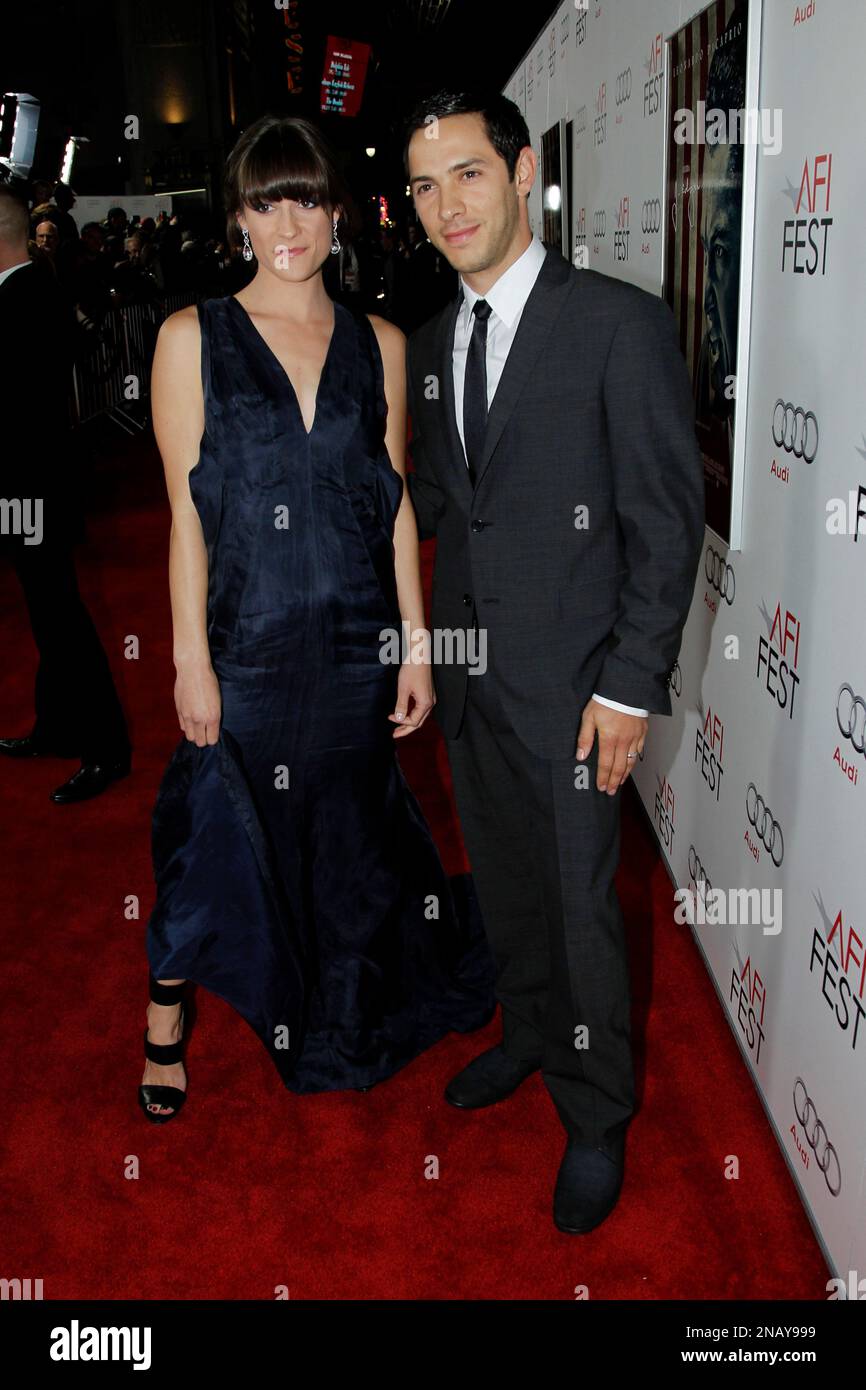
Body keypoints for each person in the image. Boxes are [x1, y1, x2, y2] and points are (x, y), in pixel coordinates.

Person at [139, 114, 494, 1124]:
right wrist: (189, 660)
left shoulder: (378, 345)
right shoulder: (188, 338)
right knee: (213, 837)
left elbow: (386, 508)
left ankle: (334, 1009)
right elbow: (184, 517)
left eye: (304, 196)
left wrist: (413, 644)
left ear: (336, 211)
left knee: (343, 840)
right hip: (245, 641)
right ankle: (165, 1014)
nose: (285, 220)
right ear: (238, 216)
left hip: (350, 642)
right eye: (263, 199)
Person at [403, 90, 705, 1234]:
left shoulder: (617, 326)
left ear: (522, 172)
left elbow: (664, 523)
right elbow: (444, 500)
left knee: (582, 908)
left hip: (582, 691)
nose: (447, 206)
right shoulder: (435, 342)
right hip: (476, 680)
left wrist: (628, 682)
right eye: (426, 186)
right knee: (508, 883)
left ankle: (594, 1108)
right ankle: (527, 1030)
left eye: (467, 175)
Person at [0, 185, 132, 801]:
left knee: (61, 616)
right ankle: (56, 727)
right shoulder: (27, 292)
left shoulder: (25, 296)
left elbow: (20, 408)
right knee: (47, 613)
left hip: (33, 488)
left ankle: (108, 749)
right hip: (29, 485)